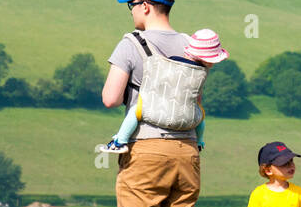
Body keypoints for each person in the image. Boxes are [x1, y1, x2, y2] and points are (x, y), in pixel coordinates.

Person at [101, 0, 203, 207]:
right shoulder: (193, 45)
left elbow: (111, 98)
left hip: (145, 147)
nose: (131, 11)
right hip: (187, 148)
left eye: (132, 5)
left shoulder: (132, 43)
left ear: (145, 6)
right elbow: (197, 102)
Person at [96, 29, 228, 155]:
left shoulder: (173, 61)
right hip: (187, 122)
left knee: (135, 111)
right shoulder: (201, 72)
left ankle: (120, 141)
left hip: (156, 114)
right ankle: (199, 141)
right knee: (200, 118)